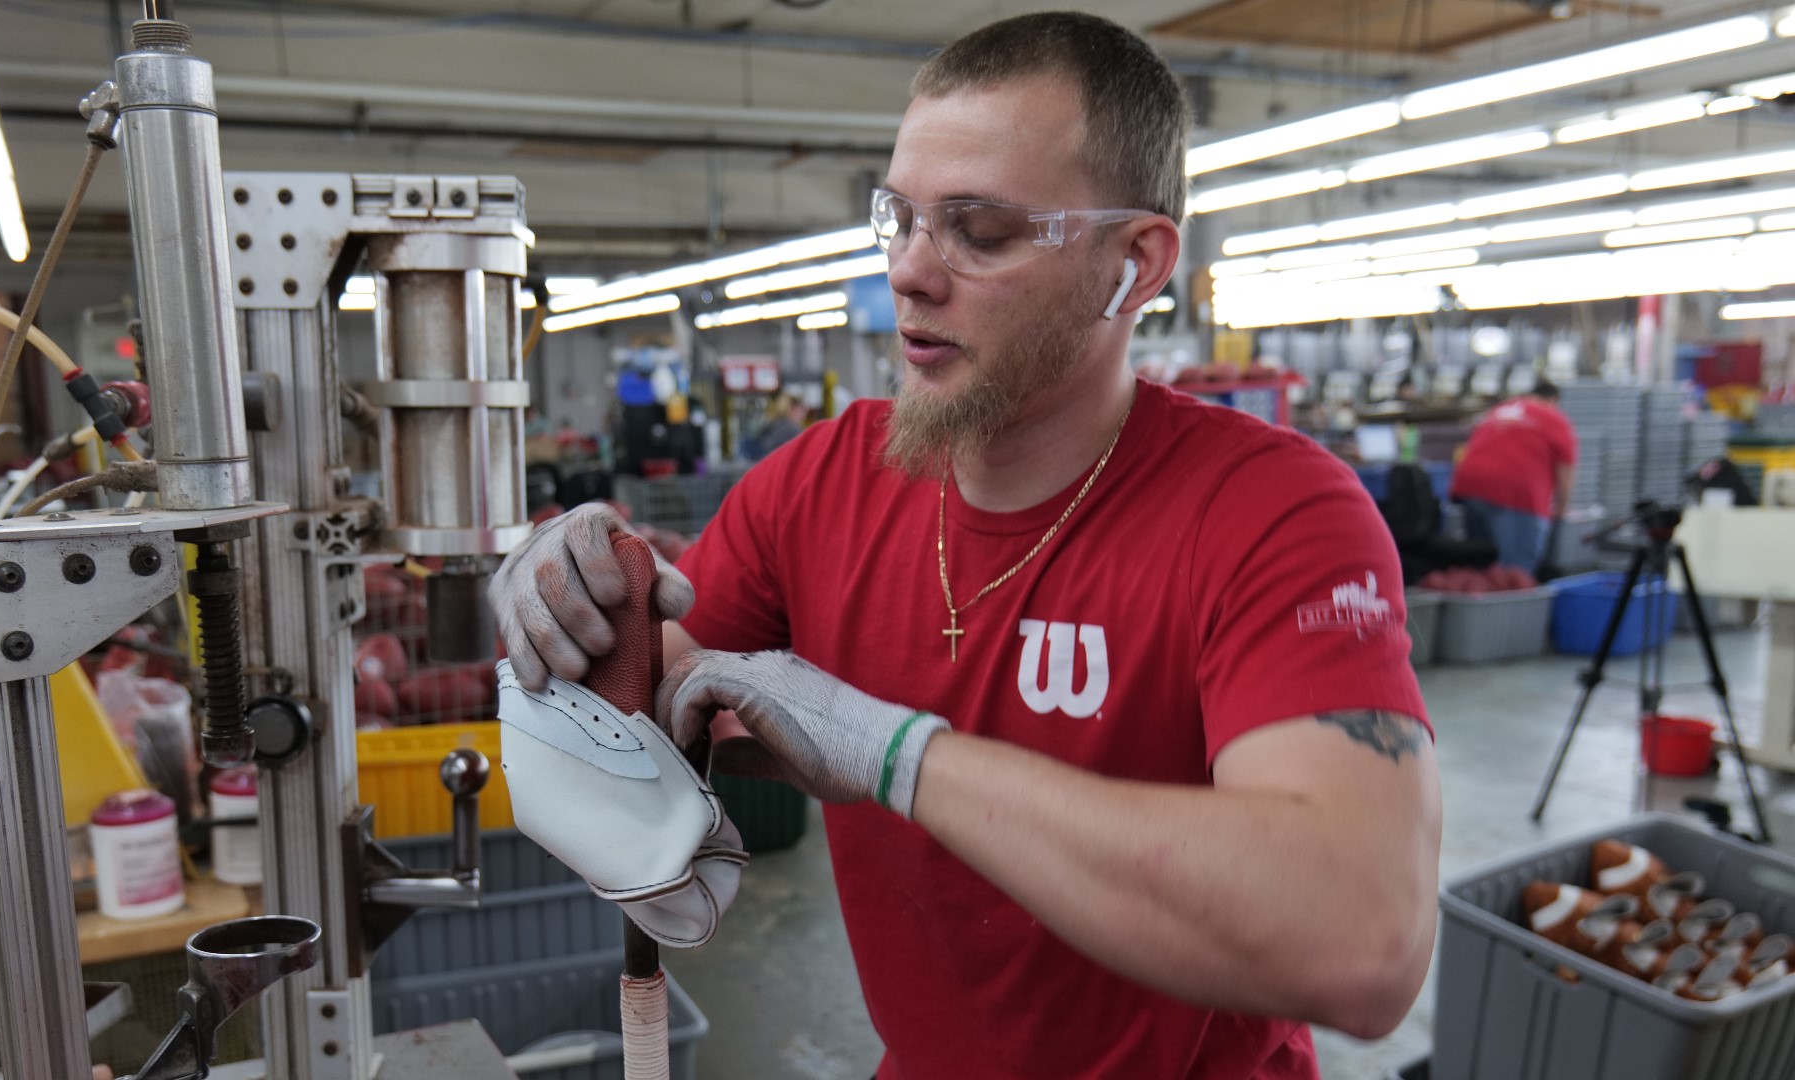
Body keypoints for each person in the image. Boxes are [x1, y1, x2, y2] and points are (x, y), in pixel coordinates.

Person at [492, 13, 1440, 1079]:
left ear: (1131, 267)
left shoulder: (1270, 514)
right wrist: (570, 602)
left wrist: (896, 753)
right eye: (897, 218)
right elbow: (647, 707)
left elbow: (1363, 942)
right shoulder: (814, 487)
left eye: (976, 231)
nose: (908, 271)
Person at [1448, 379, 1578, 572]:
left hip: (1468, 486)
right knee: (1515, 573)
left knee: (1478, 566)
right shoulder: (1554, 418)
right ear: (1554, 400)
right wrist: (1561, 509)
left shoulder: (1501, 409)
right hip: (1516, 494)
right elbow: (1566, 471)